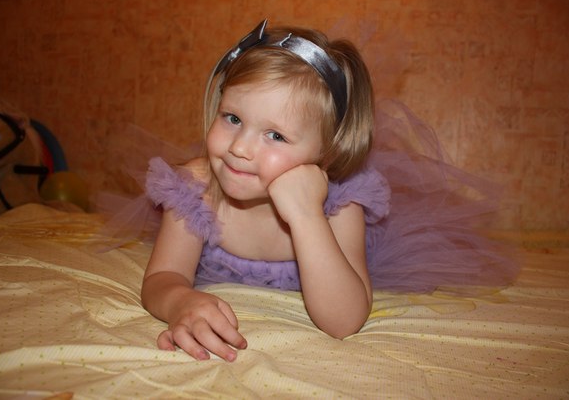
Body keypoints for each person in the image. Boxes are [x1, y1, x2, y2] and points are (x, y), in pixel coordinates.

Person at [135, 19, 517, 362]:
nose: (240, 148)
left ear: (325, 154)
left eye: (276, 135)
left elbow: (344, 322)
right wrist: (180, 300)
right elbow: (162, 278)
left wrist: (306, 215)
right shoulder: (195, 189)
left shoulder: (339, 204)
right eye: (233, 118)